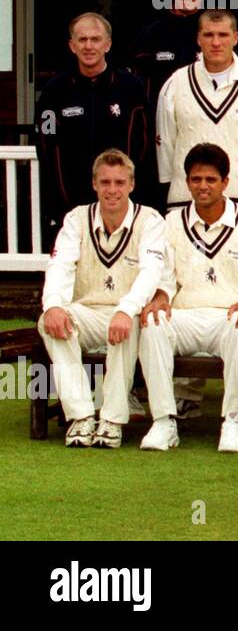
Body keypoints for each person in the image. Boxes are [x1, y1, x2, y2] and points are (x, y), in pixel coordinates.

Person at [136, 144, 238, 452]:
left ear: (226, 182)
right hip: (184, 316)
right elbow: (165, 278)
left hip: (228, 316)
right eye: (196, 179)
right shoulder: (171, 222)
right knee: (153, 322)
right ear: (186, 182)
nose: (203, 186)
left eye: (211, 179)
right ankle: (163, 421)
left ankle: (233, 423)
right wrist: (159, 298)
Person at [37, 149, 165, 448]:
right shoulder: (76, 219)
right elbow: (60, 265)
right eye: (105, 182)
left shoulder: (150, 220)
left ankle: (111, 419)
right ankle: (81, 416)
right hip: (87, 312)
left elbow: (151, 272)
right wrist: (54, 305)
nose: (112, 190)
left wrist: (127, 308)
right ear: (94, 183)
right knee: (50, 321)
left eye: (119, 183)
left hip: (126, 311)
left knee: (130, 323)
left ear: (132, 184)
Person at [155, 10, 238, 216]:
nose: (215, 42)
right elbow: (166, 147)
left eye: (223, 35)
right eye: (208, 35)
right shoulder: (176, 83)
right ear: (198, 38)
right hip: (186, 201)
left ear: (236, 38)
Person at [34, 13, 149, 236]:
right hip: (71, 206)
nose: (88, 46)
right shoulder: (54, 91)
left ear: (108, 44)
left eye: (95, 39)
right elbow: (46, 149)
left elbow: (142, 146)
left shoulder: (130, 86)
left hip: (122, 202)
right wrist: (62, 203)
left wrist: (132, 194)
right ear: (72, 45)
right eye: (82, 40)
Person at [130, 0, 208, 210]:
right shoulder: (150, 34)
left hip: (204, 131)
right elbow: (138, 91)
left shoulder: (214, 31)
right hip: (159, 141)